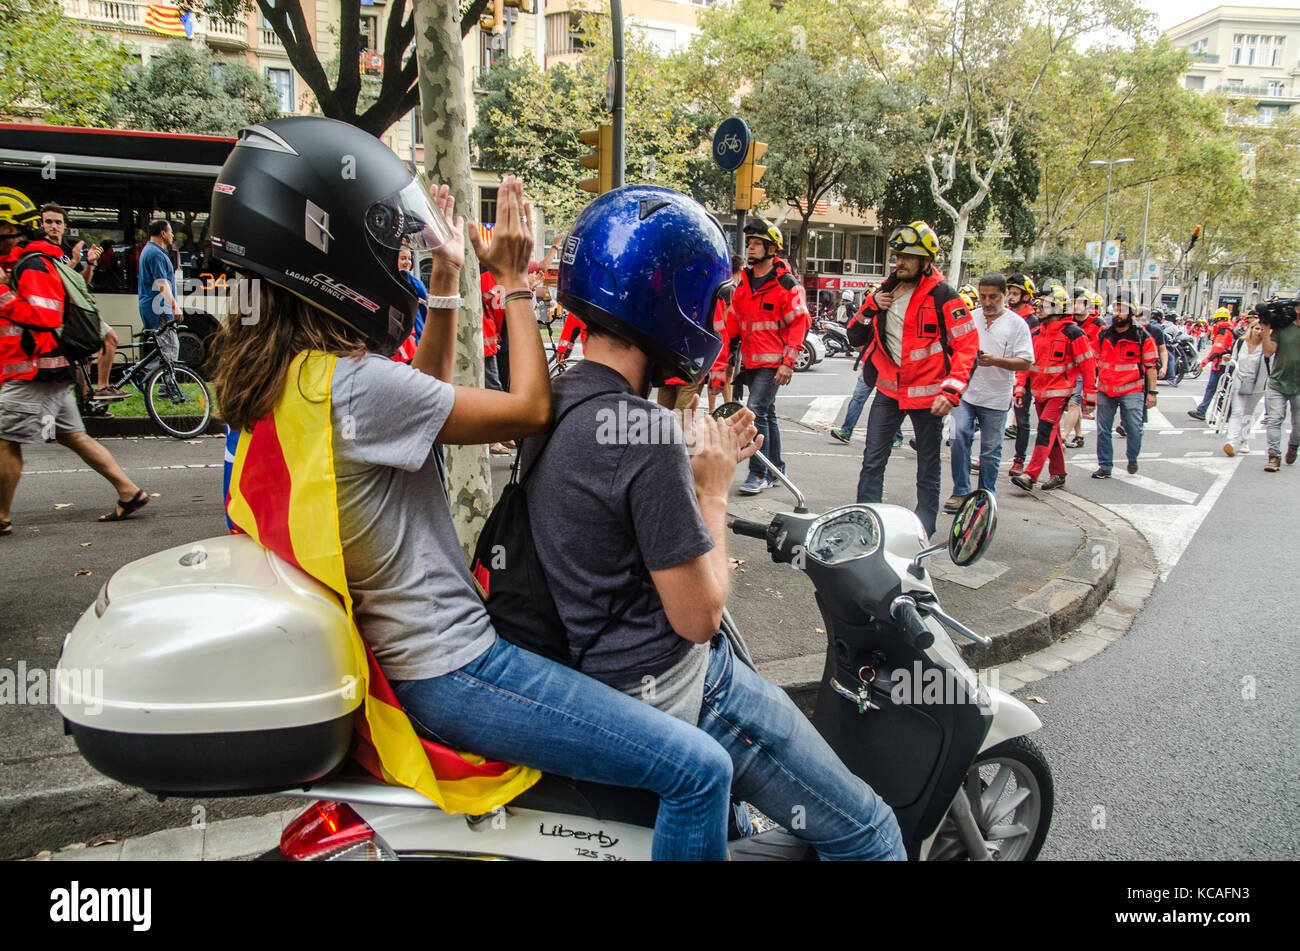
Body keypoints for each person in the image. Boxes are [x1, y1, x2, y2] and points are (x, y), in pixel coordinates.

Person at [208, 118, 734, 861]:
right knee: (699, 772)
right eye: (389, 248)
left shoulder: (296, 383)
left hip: (408, 662)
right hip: (456, 667)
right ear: (328, 248)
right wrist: (514, 282)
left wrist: (448, 281)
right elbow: (531, 409)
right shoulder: (354, 388)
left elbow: (416, 406)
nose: (397, 262)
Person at [528, 184, 905, 860]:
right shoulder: (642, 434)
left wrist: (690, 430)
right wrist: (714, 485)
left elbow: (616, 493)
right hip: (683, 685)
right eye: (706, 302)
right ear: (673, 303)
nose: (713, 316)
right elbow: (700, 616)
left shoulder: (550, 398)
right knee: (872, 832)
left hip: (597, 671)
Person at [0, 214, 146, 536]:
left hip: (36, 371)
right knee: (72, 436)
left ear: (12, 230)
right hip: (49, 370)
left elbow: (45, 316)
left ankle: (1, 516)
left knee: (6, 441)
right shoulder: (25, 263)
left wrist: (3, 296)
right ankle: (129, 491)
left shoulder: (32, 264)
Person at [849, 221, 979, 536]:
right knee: (872, 461)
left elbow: (968, 346)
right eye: (898, 255)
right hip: (889, 392)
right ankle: (865, 526)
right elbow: (854, 335)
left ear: (926, 260)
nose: (900, 262)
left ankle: (924, 531)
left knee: (928, 467)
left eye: (908, 256)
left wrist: (951, 390)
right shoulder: (884, 291)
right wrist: (870, 307)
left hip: (929, 397)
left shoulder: (944, 296)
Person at [727, 219, 810, 495]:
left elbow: (799, 323)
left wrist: (788, 362)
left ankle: (758, 473)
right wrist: (726, 354)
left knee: (754, 412)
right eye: (749, 244)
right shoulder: (745, 283)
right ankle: (776, 470)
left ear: (772, 249)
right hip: (751, 362)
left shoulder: (786, 284)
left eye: (757, 244)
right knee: (767, 414)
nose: (750, 248)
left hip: (773, 363)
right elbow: (733, 321)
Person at [943, 274, 1033, 511]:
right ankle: (961, 491)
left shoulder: (1017, 324)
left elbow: (1026, 362)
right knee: (958, 436)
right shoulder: (971, 318)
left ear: (1005, 295)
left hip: (996, 397)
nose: (987, 302)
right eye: (983, 297)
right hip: (965, 393)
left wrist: (996, 361)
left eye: (993, 297)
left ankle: (985, 497)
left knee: (990, 451)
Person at [1009, 285, 1096, 493]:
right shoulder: (1036, 333)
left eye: (1044, 304)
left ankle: (1030, 475)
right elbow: (1026, 364)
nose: (1038, 307)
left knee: (1045, 429)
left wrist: (1090, 395)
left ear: (1058, 307)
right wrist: (1020, 388)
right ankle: (1058, 474)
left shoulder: (1073, 333)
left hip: (1060, 393)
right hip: (1039, 393)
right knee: (1051, 432)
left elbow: (1088, 364)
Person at [37, 202, 124, 404]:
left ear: (65, 225)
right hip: (59, 314)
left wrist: (90, 263)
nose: (54, 226)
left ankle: (89, 401)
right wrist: (74, 262)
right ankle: (99, 390)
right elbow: (51, 282)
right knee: (106, 340)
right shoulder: (40, 250)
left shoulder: (67, 248)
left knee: (89, 354)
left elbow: (81, 281)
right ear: (42, 225)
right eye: (49, 222)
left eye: (58, 222)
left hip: (77, 310)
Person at [1091, 292, 1158, 478]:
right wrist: (1089, 387)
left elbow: (1150, 366)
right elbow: (1092, 360)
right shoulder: (1103, 334)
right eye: (1115, 309)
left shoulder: (1142, 337)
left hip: (1132, 390)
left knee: (1134, 428)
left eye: (1122, 310)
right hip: (1105, 389)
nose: (1117, 313)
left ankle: (1132, 457)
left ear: (1132, 313)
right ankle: (1105, 466)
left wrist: (1152, 392)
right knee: (1103, 429)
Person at [1003, 273, 1039, 474]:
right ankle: (987, 457)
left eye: (1015, 293)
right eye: (1009, 293)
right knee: (994, 417)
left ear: (1026, 296)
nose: (1010, 297)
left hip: (1023, 377)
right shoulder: (1005, 316)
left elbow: (1031, 355)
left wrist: (1022, 383)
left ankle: (1019, 460)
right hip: (1002, 372)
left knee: (1022, 420)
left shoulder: (1033, 322)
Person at [137, 218, 183, 374]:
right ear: (163, 233)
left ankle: (145, 375)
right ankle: (166, 384)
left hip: (154, 306)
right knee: (171, 347)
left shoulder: (150, 251)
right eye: (171, 232)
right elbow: (162, 283)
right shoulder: (155, 254)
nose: (172, 236)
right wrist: (175, 306)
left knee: (162, 348)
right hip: (159, 308)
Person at [1060, 286, 1103, 449]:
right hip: (1069, 368)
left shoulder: (1099, 324)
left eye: (1079, 302)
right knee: (1074, 404)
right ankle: (1078, 436)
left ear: (1087, 304)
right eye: (1073, 303)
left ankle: (1064, 437)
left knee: (1073, 402)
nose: (1075, 306)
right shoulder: (1068, 322)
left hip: (1087, 368)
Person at [1261, 295, 1300, 472]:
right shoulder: (1283, 328)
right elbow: (1268, 352)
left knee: (1298, 425)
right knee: (1275, 420)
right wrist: (1265, 329)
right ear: (1296, 309)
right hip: (1278, 383)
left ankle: (1294, 445)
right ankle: (1274, 456)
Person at [1222, 317, 1270, 457]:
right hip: (1240, 379)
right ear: (1251, 329)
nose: (1259, 332)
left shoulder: (1266, 346)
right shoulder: (1240, 342)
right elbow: (1234, 360)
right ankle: (1231, 441)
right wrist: (1227, 360)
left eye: (1262, 329)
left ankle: (1244, 440)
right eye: (1256, 328)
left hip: (1258, 384)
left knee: (1248, 412)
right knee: (1237, 411)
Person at [1188, 308, 1236, 420]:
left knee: (1215, 389)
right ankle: (1226, 413)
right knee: (1222, 389)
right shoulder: (1229, 329)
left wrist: (1203, 363)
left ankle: (1203, 411)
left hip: (1221, 365)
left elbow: (1216, 350)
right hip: (1223, 364)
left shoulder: (1223, 331)